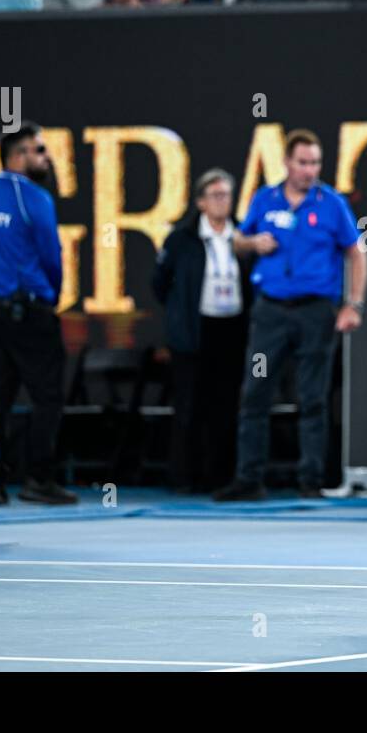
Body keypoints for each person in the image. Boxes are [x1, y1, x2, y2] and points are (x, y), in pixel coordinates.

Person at [213, 130, 367, 502]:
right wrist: (252, 243)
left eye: (315, 162)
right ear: (286, 163)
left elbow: (357, 252)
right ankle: (249, 480)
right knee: (256, 392)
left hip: (315, 311)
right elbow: (237, 239)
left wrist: (354, 304)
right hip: (270, 312)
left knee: (313, 396)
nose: (309, 169)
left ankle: (310, 481)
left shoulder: (331, 203)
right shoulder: (264, 199)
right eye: (303, 162)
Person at [0, 125, 77, 506]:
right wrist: (51, 295)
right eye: (39, 150)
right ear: (18, 156)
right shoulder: (32, 196)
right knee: (47, 396)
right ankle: (39, 477)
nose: (45, 157)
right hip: (28, 312)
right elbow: (51, 255)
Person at [152, 169, 253, 492]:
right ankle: (184, 476)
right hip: (194, 330)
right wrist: (178, 317)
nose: (223, 201)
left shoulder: (242, 235)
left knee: (225, 405)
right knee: (189, 405)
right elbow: (159, 284)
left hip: (231, 328)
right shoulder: (182, 240)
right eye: (215, 195)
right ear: (200, 202)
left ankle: (220, 476)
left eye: (227, 195)